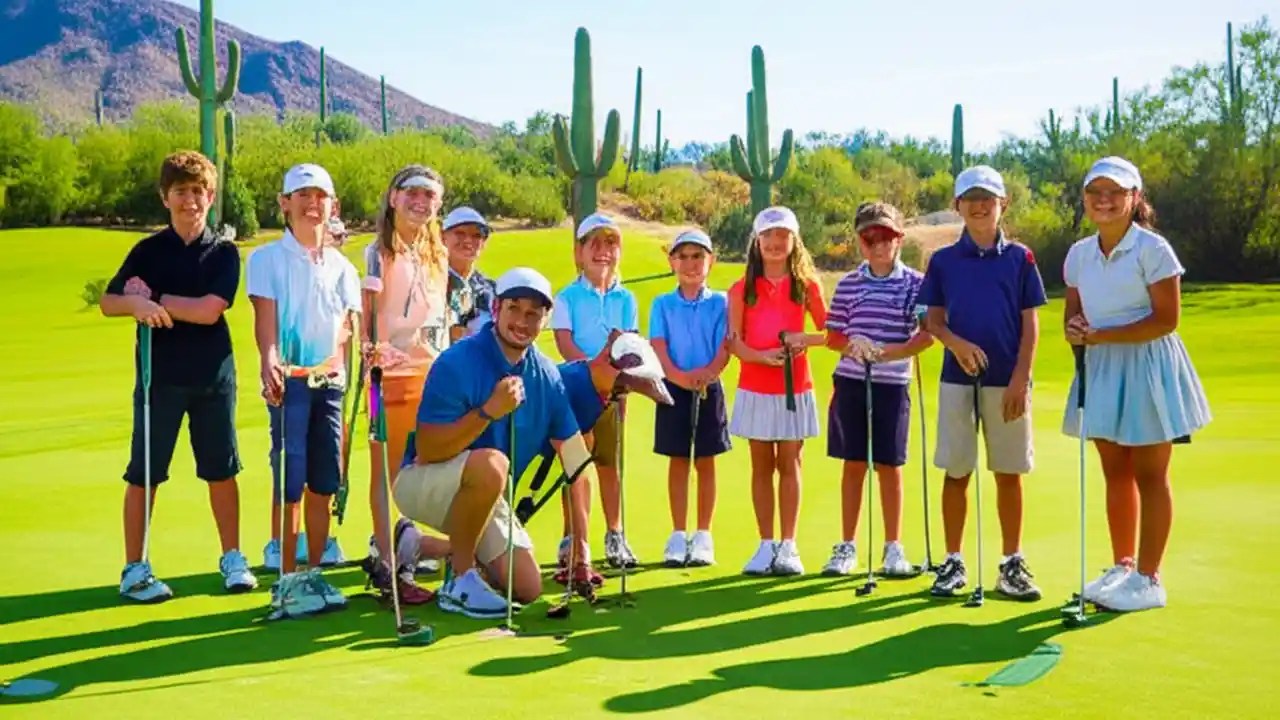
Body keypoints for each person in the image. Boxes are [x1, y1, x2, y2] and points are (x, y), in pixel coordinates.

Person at [391, 268, 599, 617]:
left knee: (528, 587)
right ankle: (458, 580)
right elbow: (428, 450)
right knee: (493, 464)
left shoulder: (547, 375)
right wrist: (489, 411)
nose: (522, 320)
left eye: (534, 313)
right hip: (420, 482)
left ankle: (418, 545)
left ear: (545, 319)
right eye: (514, 308)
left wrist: (582, 546)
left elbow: (575, 460)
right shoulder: (457, 361)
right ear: (496, 308)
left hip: (484, 494)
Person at [99, 150, 256, 602]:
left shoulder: (223, 252)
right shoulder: (147, 251)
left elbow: (208, 311)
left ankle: (233, 558)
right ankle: (135, 568)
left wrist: (157, 297)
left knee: (221, 470)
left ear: (210, 196)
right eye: (181, 192)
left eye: (198, 192)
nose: (191, 201)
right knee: (144, 473)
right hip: (158, 380)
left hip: (214, 379)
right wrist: (136, 303)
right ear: (165, 198)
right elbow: (111, 301)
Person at [1063, 156, 1210, 612]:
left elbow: (1166, 320)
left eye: (1115, 192)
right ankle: (1123, 566)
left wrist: (1102, 335)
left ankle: (1150, 578)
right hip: (1103, 366)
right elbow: (1073, 313)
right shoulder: (1079, 254)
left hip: (1148, 366)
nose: (1104, 200)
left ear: (1134, 197)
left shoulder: (1153, 249)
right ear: (1085, 199)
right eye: (1095, 192)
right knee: (1115, 471)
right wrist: (1075, 332)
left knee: (1150, 473)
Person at [918, 165, 1047, 601]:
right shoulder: (942, 261)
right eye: (970, 198)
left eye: (987, 198)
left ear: (1002, 204)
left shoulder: (1021, 259)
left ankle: (1011, 564)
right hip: (958, 379)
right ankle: (953, 561)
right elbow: (933, 321)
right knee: (957, 470)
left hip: (1007, 380)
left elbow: (1031, 327)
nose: (979, 205)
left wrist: (1020, 380)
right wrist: (955, 343)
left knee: (1008, 473)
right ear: (957, 206)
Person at [247, 163, 361, 618]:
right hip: (290, 385)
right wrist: (270, 359)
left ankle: (313, 572)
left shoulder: (343, 267)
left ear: (332, 205)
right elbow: (266, 323)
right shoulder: (266, 260)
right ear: (285, 204)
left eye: (321, 197)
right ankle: (288, 577)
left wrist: (330, 361)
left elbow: (347, 327)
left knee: (324, 481)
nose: (313, 204)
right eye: (303, 196)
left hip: (329, 385)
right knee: (290, 479)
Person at [822, 202, 934, 577]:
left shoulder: (916, 284)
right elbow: (833, 335)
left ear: (898, 239)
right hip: (852, 381)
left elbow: (926, 336)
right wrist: (853, 343)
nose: (878, 244)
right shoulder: (849, 283)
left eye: (886, 236)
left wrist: (888, 354)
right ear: (859, 242)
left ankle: (893, 548)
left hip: (892, 384)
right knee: (854, 464)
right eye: (870, 237)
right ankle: (847, 546)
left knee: (889, 466)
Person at [358, 165, 451, 604]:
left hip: (430, 378)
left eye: (430, 196)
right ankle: (388, 564)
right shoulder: (376, 253)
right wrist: (372, 351)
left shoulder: (438, 257)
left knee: (425, 469)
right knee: (386, 473)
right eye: (412, 192)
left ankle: (417, 550)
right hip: (385, 380)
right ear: (393, 197)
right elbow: (367, 321)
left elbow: (439, 323)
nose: (421, 202)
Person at [727, 206, 828, 576]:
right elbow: (734, 343)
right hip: (755, 386)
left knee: (790, 463)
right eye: (768, 235)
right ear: (757, 241)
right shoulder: (741, 290)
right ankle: (765, 544)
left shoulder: (807, 286)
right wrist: (760, 357)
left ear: (793, 241)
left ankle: (789, 546)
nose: (774, 243)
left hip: (794, 387)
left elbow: (831, 333)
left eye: (782, 236)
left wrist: (804, 339)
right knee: (760, 466)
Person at [550, 213, 641, 569]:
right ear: (580, 252)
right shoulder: (568, 296)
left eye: (611, 244)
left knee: (609, 463)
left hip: (615, 393)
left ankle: (615, 534)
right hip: (577, 389)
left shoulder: (626, 298)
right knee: (574, 463)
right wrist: (594, 373)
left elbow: (628, 342)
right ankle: (571, 536)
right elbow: (563, 341)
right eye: (595, 244)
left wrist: (614, 377)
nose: (603, 252)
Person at [648, 229, 732, 567]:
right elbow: (658, 346)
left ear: (710, 261)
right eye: (682, 256)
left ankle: (703, 535)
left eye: (698, 256)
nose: (690, 264)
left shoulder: (722, 302)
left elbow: (725, 345)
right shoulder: (662, 303)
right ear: (672, 261)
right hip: (673, 388)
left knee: (706, 461)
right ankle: (678, 534)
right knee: (678, 460)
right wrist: (679, 378)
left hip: (709, 388)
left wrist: (709, 373)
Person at [443, 206, 498, 340]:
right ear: (443, 237)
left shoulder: (492, 289)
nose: (468, 241)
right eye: (460, 233)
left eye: (477, 236)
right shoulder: (428, 284)